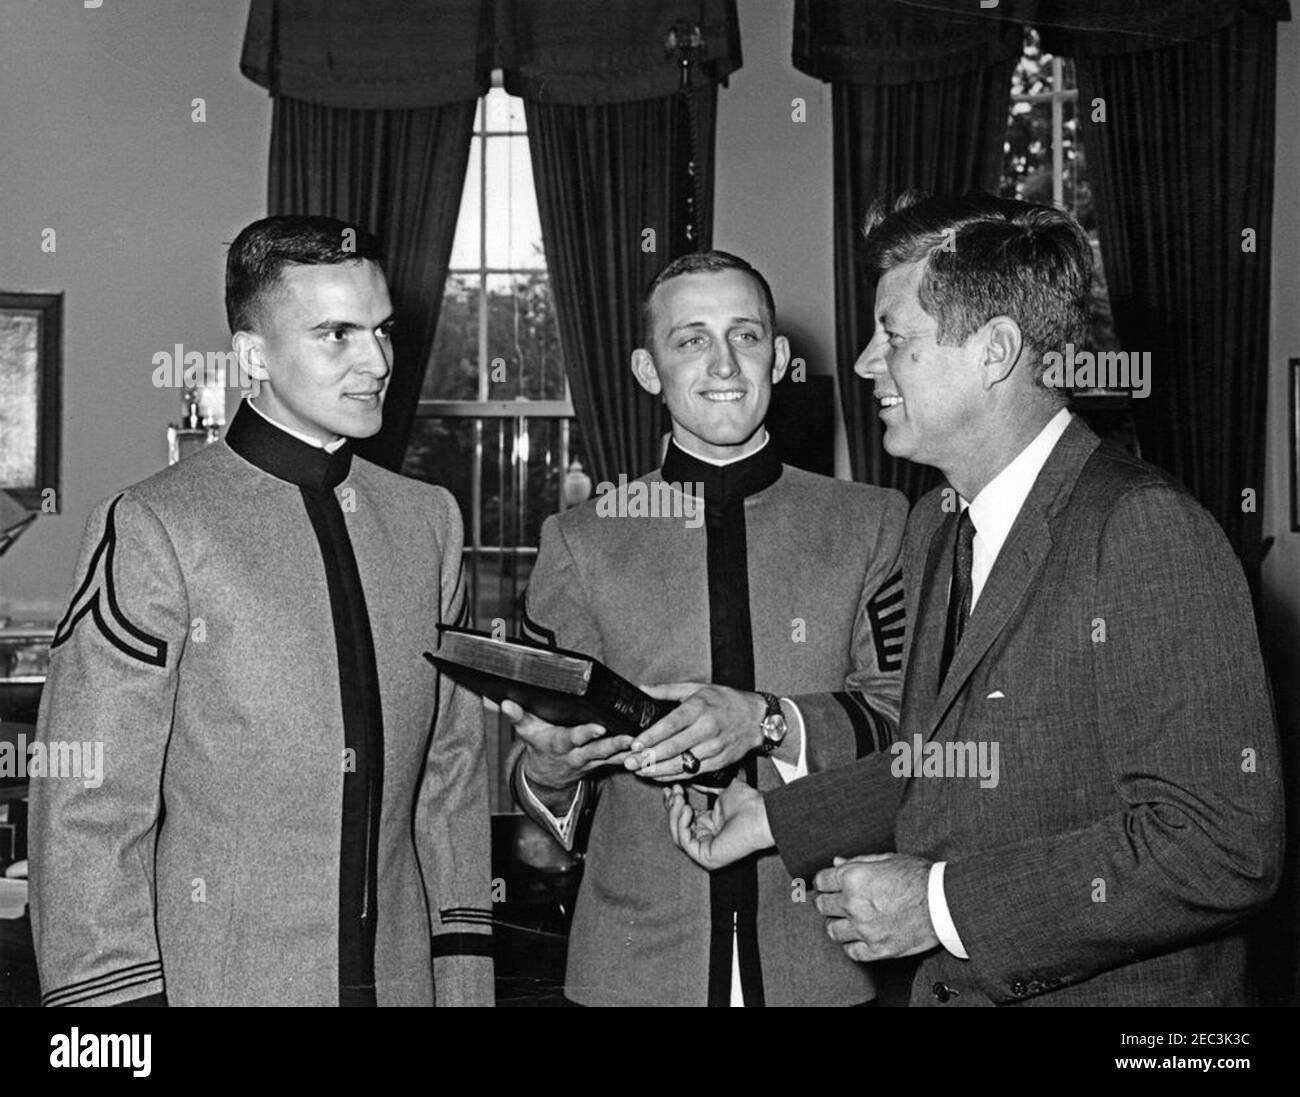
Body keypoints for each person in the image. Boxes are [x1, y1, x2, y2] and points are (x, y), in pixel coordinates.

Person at [666, 195, 1285, 1006]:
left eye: (893, 337)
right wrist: (776, 820)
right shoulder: (935, 524)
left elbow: (1222, 844)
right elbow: (947, 763)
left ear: (994, 351)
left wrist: (939, 906)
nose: (862, 364)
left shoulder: (1142, 528)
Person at [30, 215, 494, 1007]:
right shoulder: (158, 525)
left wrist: (462, 983)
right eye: (336, 334)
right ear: (253, 356)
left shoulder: (429, 522)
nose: (376, 361)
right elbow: (89, 810)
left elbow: (449, 786)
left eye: (382, 330)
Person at [507, 250, 909, 1006]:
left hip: (824, 956)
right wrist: (552, 771)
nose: (724, 362)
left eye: (746, 336)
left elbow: (907, 725)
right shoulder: (580, 540)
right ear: (647, 368)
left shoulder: (871, 523)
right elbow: (541, 786)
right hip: (632, 964)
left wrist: (769, 722)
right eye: (691, 339)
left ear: (780, 358)